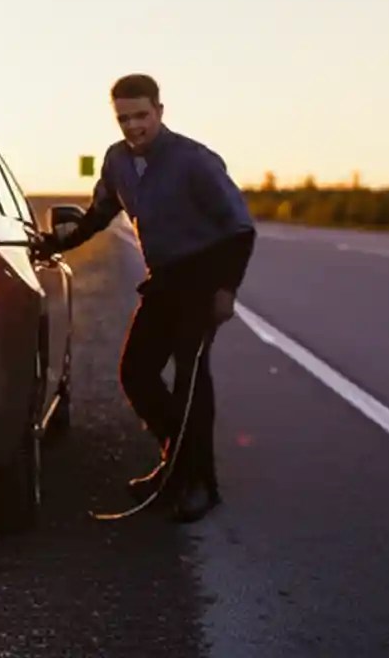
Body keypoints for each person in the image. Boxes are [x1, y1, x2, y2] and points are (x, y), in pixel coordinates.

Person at [44, 73, 256, 523]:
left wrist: (226, 291)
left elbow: (240, 229)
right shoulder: (117, 160)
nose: (133, 126)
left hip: (203, 277)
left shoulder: (195, 160)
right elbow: (101, 212)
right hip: (163, 280)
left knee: (190, 379)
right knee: (135, 373)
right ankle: (176, 460)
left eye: (141, 115)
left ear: (160, 111)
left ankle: (202, 484)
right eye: (124, 118)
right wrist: (56, 244)